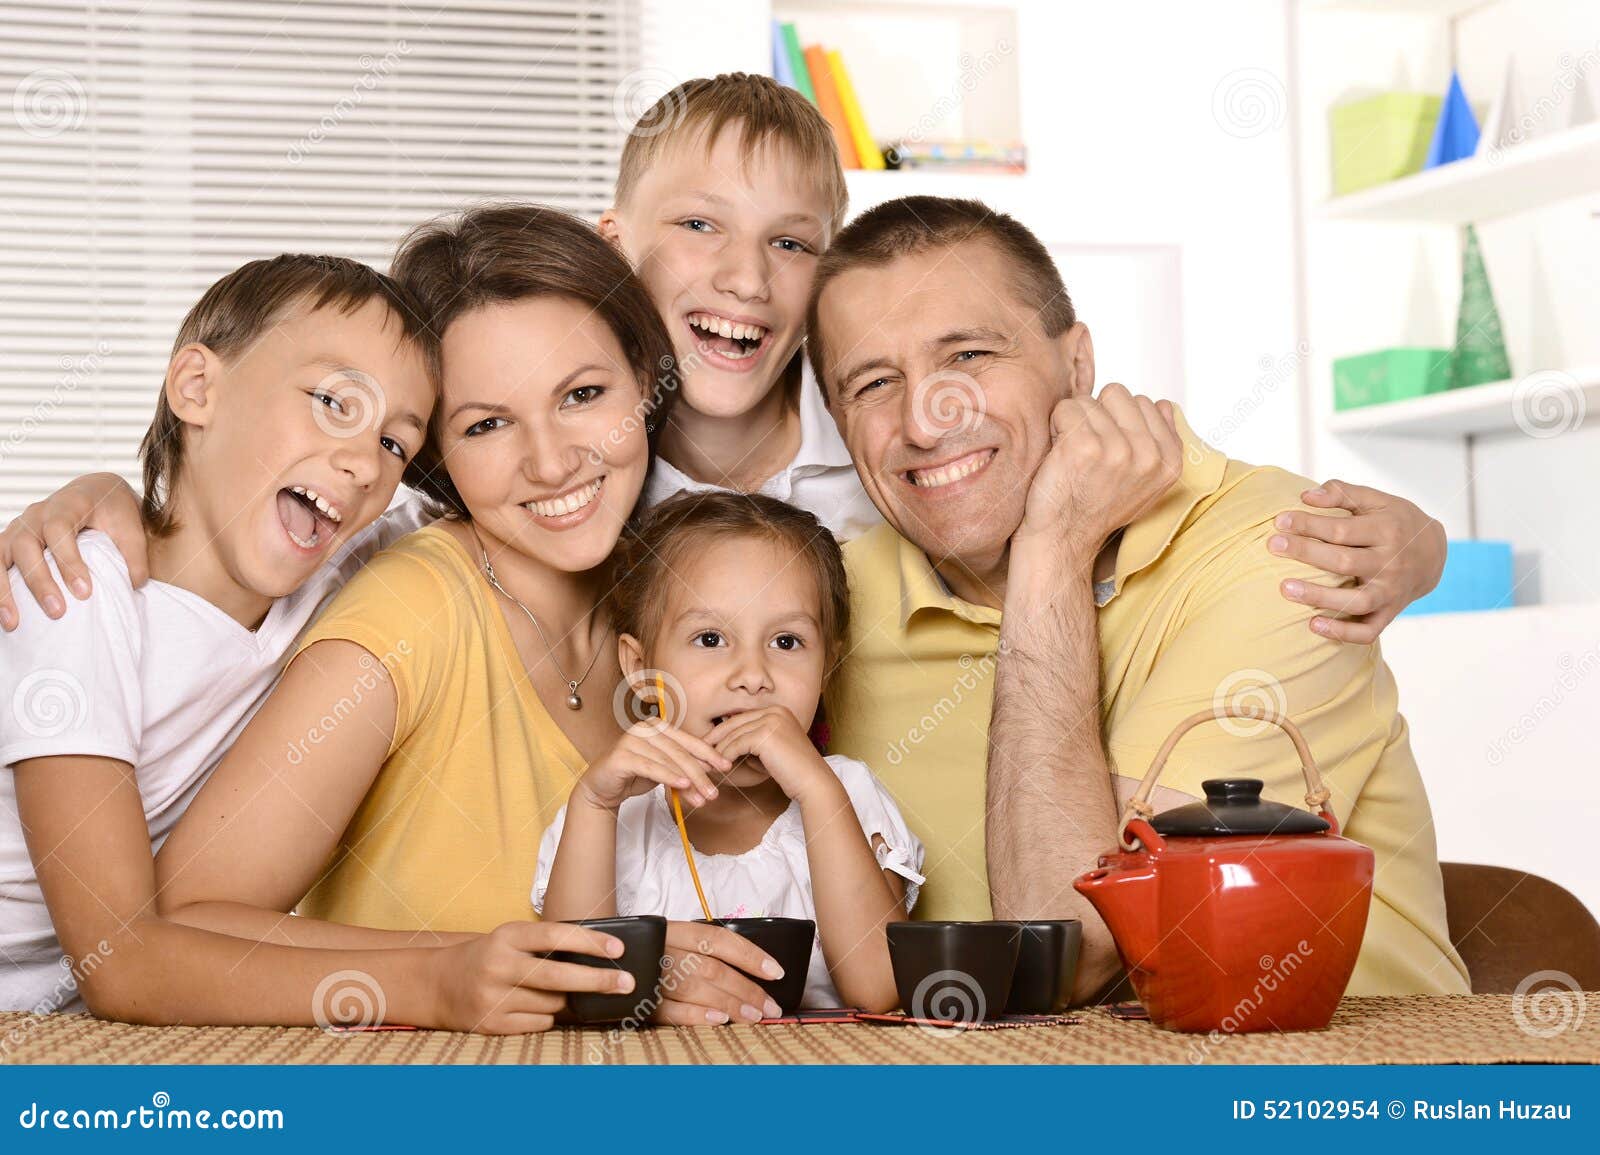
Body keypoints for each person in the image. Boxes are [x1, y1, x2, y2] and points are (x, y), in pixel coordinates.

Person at [806, 195, 1471, 1002]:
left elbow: (1080, 943)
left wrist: (1051, 549)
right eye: (874, 382)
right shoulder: (820, 604)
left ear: (1077, 366)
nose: (925, 416)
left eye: (971, 355)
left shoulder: (1286, 551)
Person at [149, 205, 789, 1030]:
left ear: (646, 380)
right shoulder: (412, 611)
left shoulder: (683, 597)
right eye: (486, 424)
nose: (552, 461)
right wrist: (526, 970)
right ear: (434, 456)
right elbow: (178, 927)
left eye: (584, 394)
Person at [0, 254, 636, 1027]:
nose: (363, 462)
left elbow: (508, 513)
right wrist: (435, 984)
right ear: (197, 387)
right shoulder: (78, 595)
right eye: (334, 402)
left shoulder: (336, 566)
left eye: (397, 444)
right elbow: (124, 963)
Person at [537, 491, 921, 1012]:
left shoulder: (846, 794)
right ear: (639, 668)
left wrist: (816, 791)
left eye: (786, 642)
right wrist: (595, 806)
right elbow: (573, 986)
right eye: (710, 638)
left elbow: (878, 991)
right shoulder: (613, 818)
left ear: (826, 668)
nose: (752, 677)